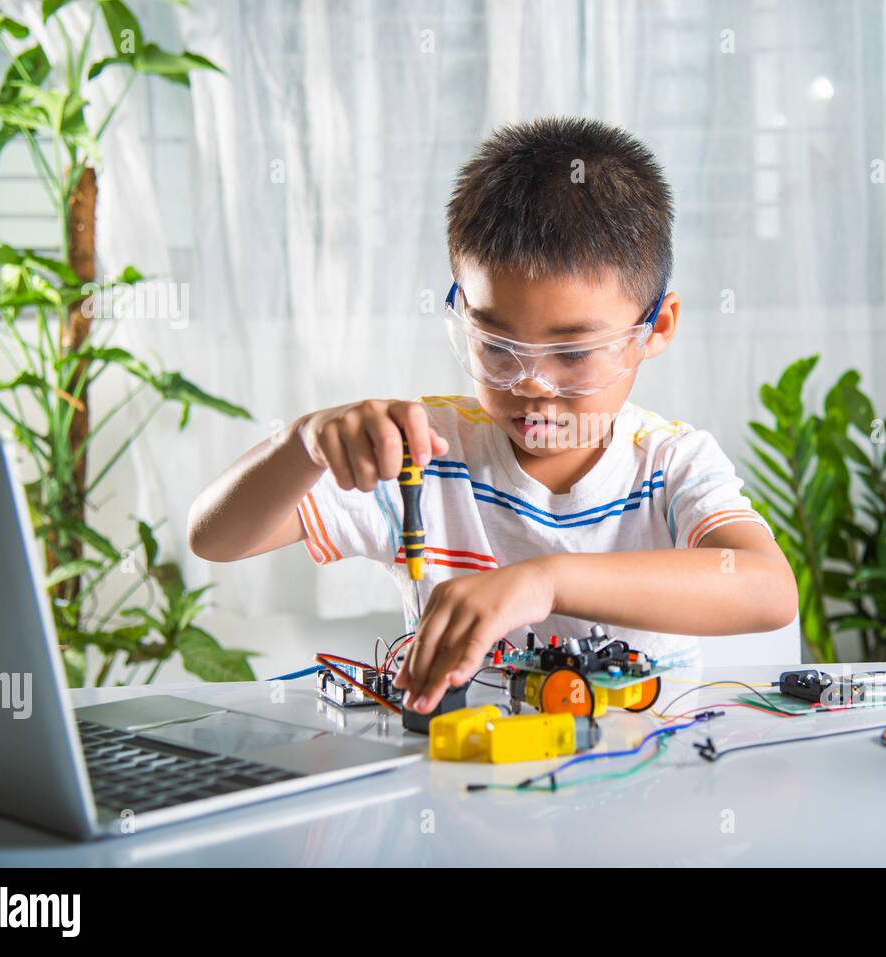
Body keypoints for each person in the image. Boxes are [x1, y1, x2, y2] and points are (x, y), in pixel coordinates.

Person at [188, 116, 799, 715]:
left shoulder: (668, 462)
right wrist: (302, 444)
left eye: (573, 353)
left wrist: (545, 583)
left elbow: (768, 591)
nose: (532, 386)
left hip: (643, 790)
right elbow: (215, 537)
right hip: (462, 783)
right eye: (498, 346)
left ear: (655, 328)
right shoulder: (423, 453)